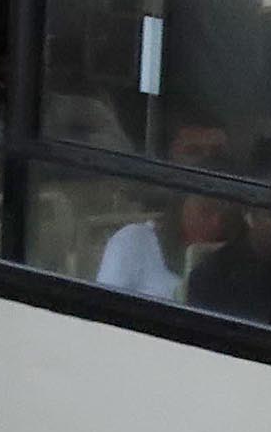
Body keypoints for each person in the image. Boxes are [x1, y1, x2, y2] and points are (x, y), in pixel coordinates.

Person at [96, 121, 234, 301]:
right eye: (206, 211)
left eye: (227, 214)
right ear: (181, 203)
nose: (217, 221)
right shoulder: (133, 243)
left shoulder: (242, 259)